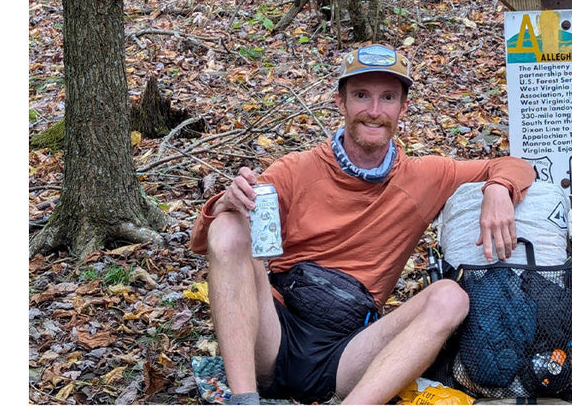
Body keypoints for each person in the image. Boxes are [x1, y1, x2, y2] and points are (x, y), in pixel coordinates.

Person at [190, 43, 536, 404]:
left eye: (387, 97)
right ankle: (244, 399)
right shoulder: (296, 170)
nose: (374, 111)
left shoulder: (425, 177)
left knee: (451, 298)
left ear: (402, 107)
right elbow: (209, 242)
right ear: (341, 102)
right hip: (275, 333)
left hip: (348, 352)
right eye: (360, 96)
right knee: (228, 226)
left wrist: (498, 188)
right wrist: (228, 203)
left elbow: (517, 165)